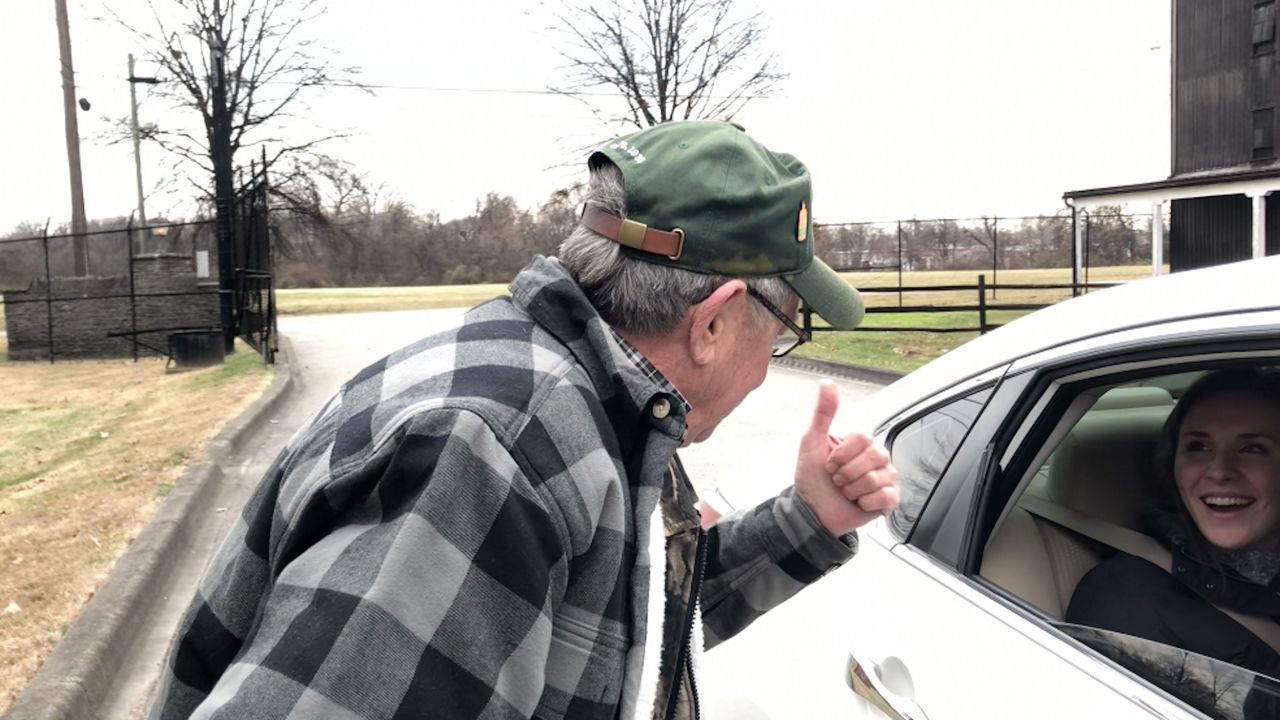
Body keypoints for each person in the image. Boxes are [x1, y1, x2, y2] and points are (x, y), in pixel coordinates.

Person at [148, 120, 900, 720]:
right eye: (781, 330)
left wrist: (808, 520)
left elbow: (614, 634)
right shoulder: (494, 459)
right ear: (712, 324)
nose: (772, 362)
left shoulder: (599, 411)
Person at [1067, 367, 1280, 679]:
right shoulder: (1125, 602)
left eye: (1253, 449)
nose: (1219, 471)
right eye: (1198, 447)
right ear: (1172, 463)